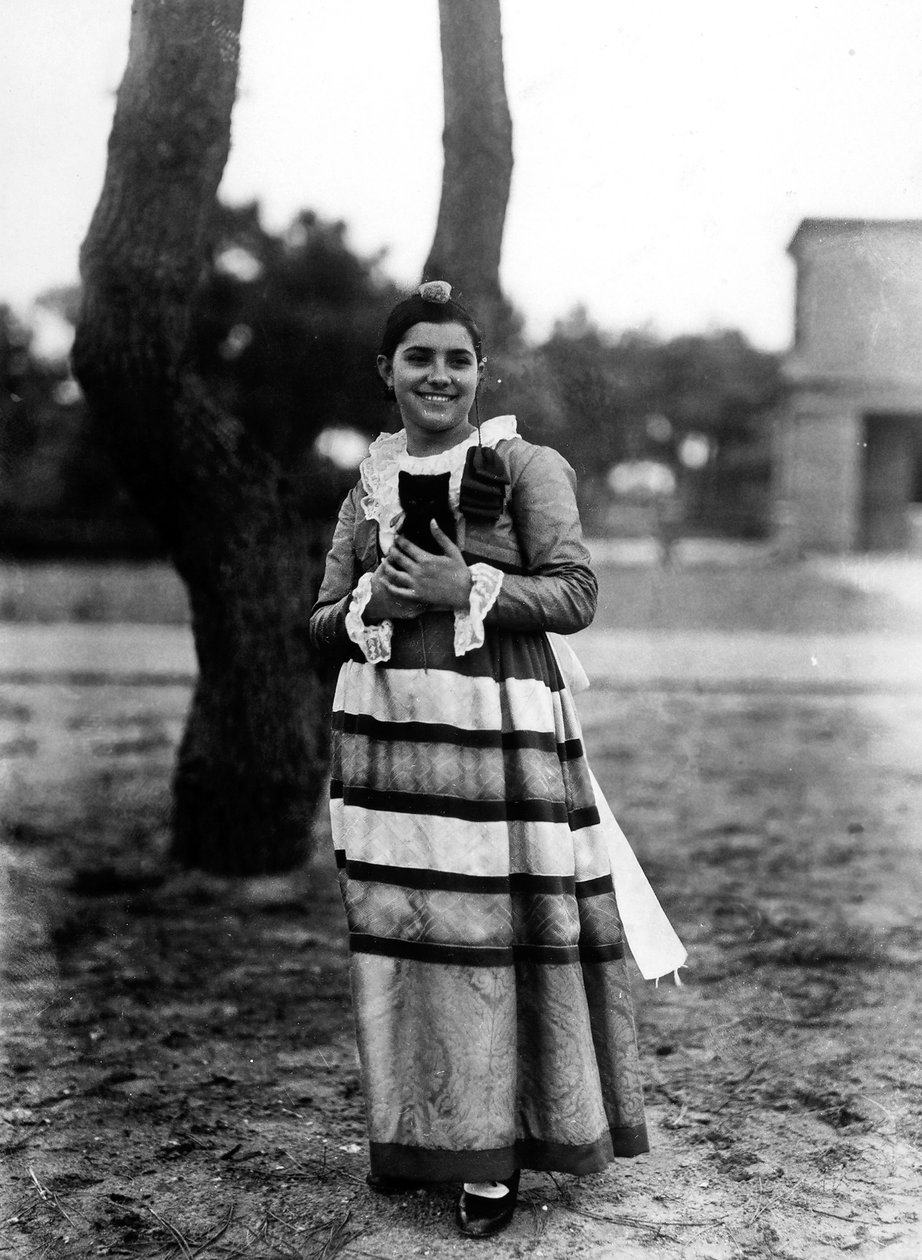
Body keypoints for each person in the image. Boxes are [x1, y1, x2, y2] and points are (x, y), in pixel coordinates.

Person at [309, 281, 685, 1239]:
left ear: (481, 373)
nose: (439, 375)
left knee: (491, 939)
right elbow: (318, 622)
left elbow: (575, 593)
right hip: (391, 748)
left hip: (500, 746)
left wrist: (463, 582)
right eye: (419, 357)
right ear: (385, 372)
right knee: (405, 935)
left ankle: (493, 1159)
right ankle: (414, 1134)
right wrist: (374, 610)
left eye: (458, 359)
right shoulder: (367, 484)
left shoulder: (523, 466)